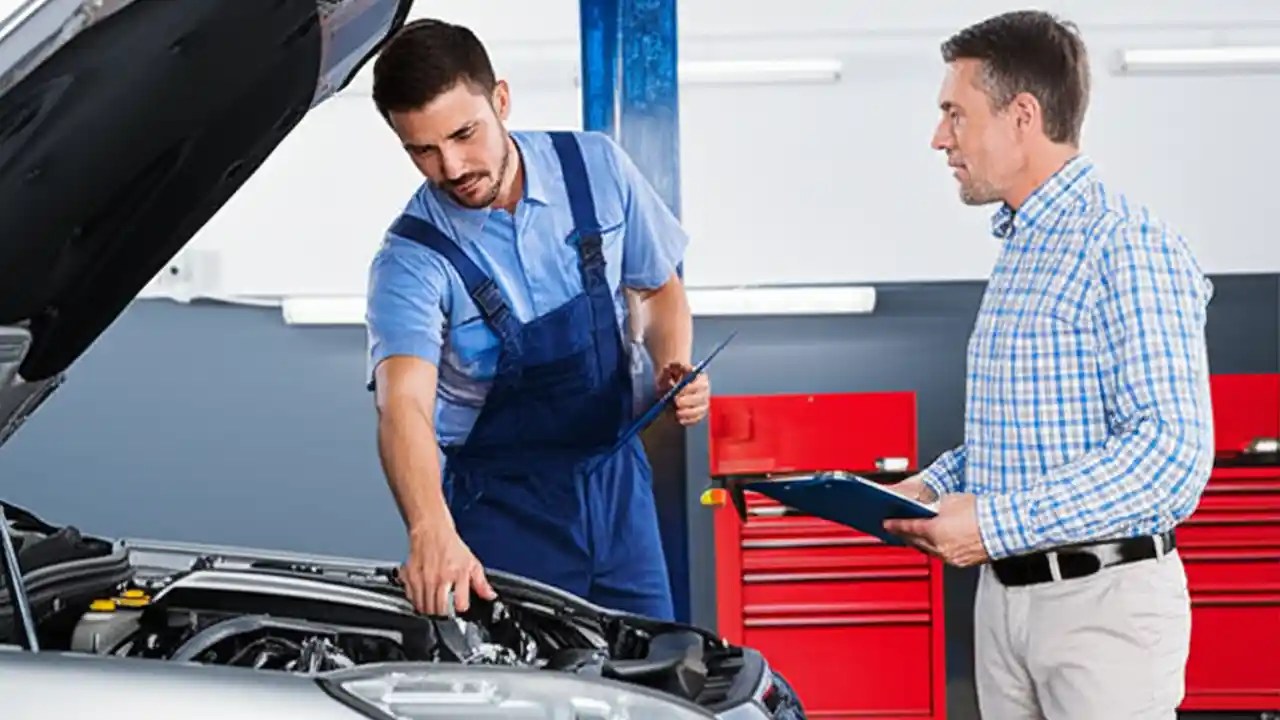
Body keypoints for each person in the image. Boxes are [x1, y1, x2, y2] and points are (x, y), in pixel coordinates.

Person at [882, 10, 1215, 720]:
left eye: (955, 114)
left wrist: (993, 524)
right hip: (1006, 605)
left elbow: (1169, 456)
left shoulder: (1125, 244)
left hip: (1101, 611)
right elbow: (1027, 437)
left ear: (1022, 115)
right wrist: (927, 487)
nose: (940, 138)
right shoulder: (1023, 251)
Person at [363, 18, 708, 622]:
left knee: (656, 676)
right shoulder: (410, 259)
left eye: (464, 134)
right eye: (422, 150)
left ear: (500, 98)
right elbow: (404, 406)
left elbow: (657, 290)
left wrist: (671, 361)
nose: (450, 167)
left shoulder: (596, 167)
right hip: (503, 513)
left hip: (618, 488)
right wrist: (429, 530)